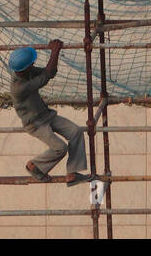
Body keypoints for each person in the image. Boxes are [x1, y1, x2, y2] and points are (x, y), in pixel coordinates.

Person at [8, 42, 92, 185]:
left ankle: (72, 174)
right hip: (35, 124)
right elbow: (47, 75)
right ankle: (34, 166)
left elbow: (49, 72)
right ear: (25, 68)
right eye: (31, 64)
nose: (33, 65)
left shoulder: (27, 72)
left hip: (46, 115)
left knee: (75, 131)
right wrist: (55, 51)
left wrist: (54, 54)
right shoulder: (19, 87)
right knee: (60, 148)